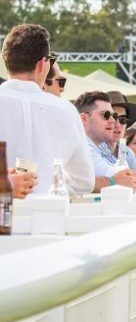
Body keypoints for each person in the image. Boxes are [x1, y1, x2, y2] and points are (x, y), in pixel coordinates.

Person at [0, 24, 94, 195]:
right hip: (46, 215)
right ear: (43, 64)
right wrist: (47, 184)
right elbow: (84, 182)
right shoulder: (66, 111)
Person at [74, 91, 136, 191]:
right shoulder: (81, 146)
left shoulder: (126, 151)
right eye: (106, 115)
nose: (114, 121)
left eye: (123, 120)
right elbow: (120, 177)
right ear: (84, 119)